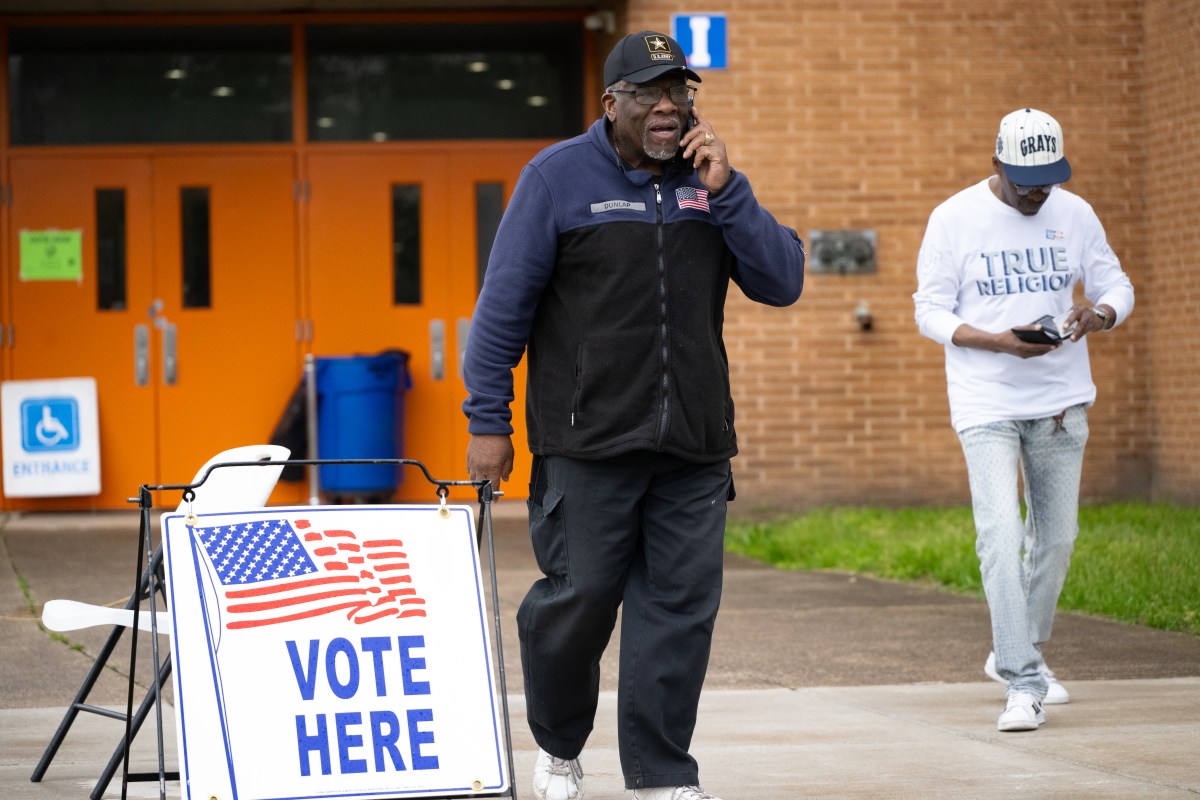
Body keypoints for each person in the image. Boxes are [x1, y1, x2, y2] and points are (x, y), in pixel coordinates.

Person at [462, 30, 806, 800]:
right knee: (575, 605)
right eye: (650, 93)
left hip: (692, 447)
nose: (667, 107)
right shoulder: (556, 179)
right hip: (585, 446)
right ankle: (557, 744)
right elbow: (500, 314)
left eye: (679, 92)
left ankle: (659, 775)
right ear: (611, 102)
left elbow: (782, 280)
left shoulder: (710, 184)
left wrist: (730, 192)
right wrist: (489, 421)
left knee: (677, 616)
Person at [913, 108, 1134, 732]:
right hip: (986, 401)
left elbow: (1117, 283)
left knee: (1056, 540)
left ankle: (1017, 645)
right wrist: (997, 341)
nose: (1038, 190)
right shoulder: (954, 218)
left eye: (1048, 177)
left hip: (1062, 400)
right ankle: (1023, 680)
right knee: (1000, 536)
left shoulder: (1076, 212)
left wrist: (1100, 315)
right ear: (997, 163)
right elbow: (928, 309)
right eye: (1025, 179)